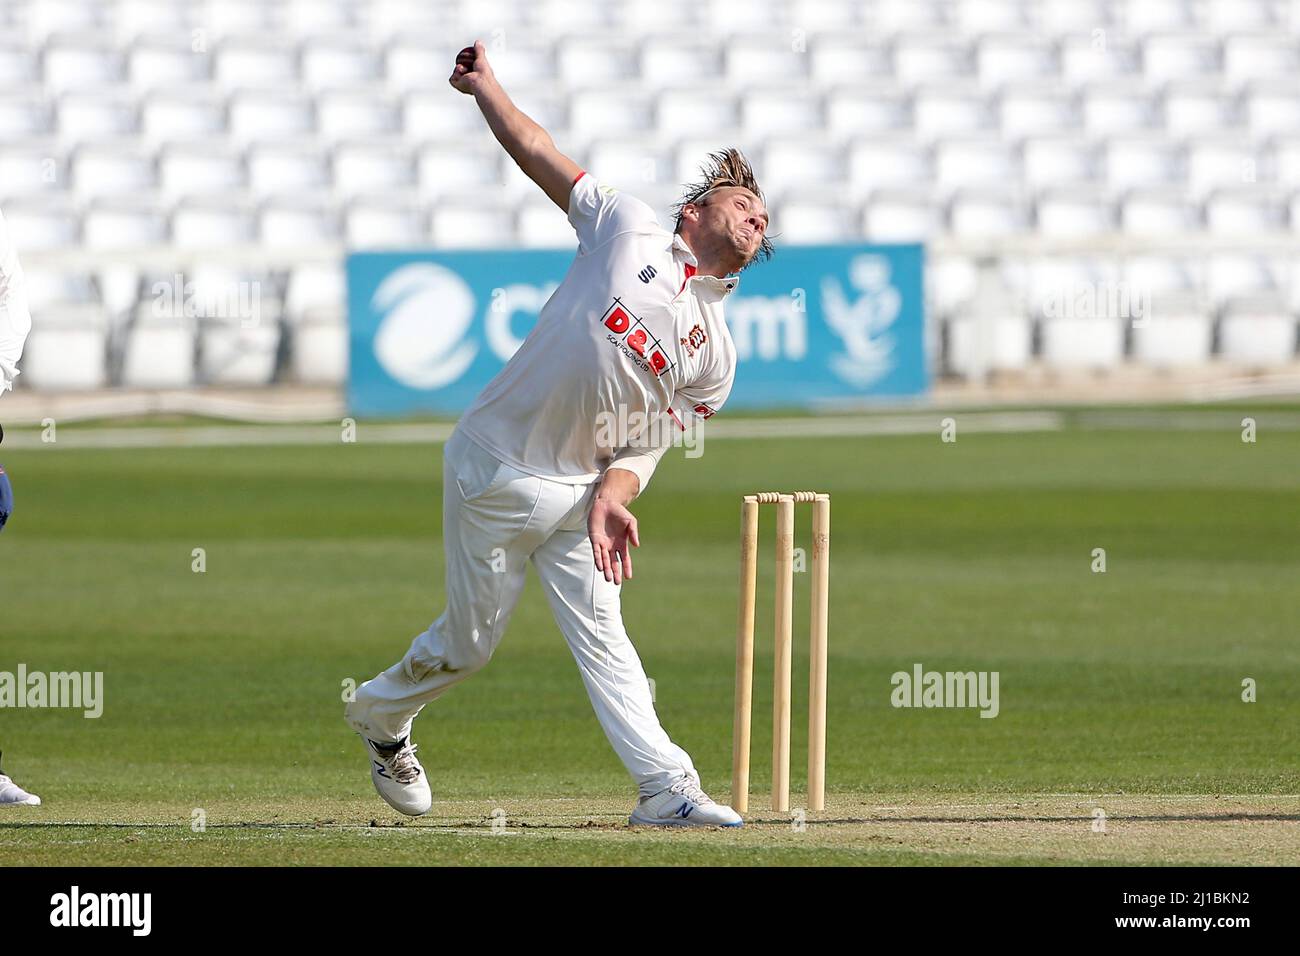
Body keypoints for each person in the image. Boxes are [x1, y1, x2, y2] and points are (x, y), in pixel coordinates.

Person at [345, 41, 772, 827]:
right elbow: (539, 151)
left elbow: (651, 435)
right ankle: (381, 715)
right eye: (739, 199)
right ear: (694, 212)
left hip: (581, 495)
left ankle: (666, 789)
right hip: (495, 466)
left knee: (608, 638)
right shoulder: (627, 227)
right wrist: (486, 88)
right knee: (468, 648)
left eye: (763, 213)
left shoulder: (717, 354)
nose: (756, 212)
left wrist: (615, 490)